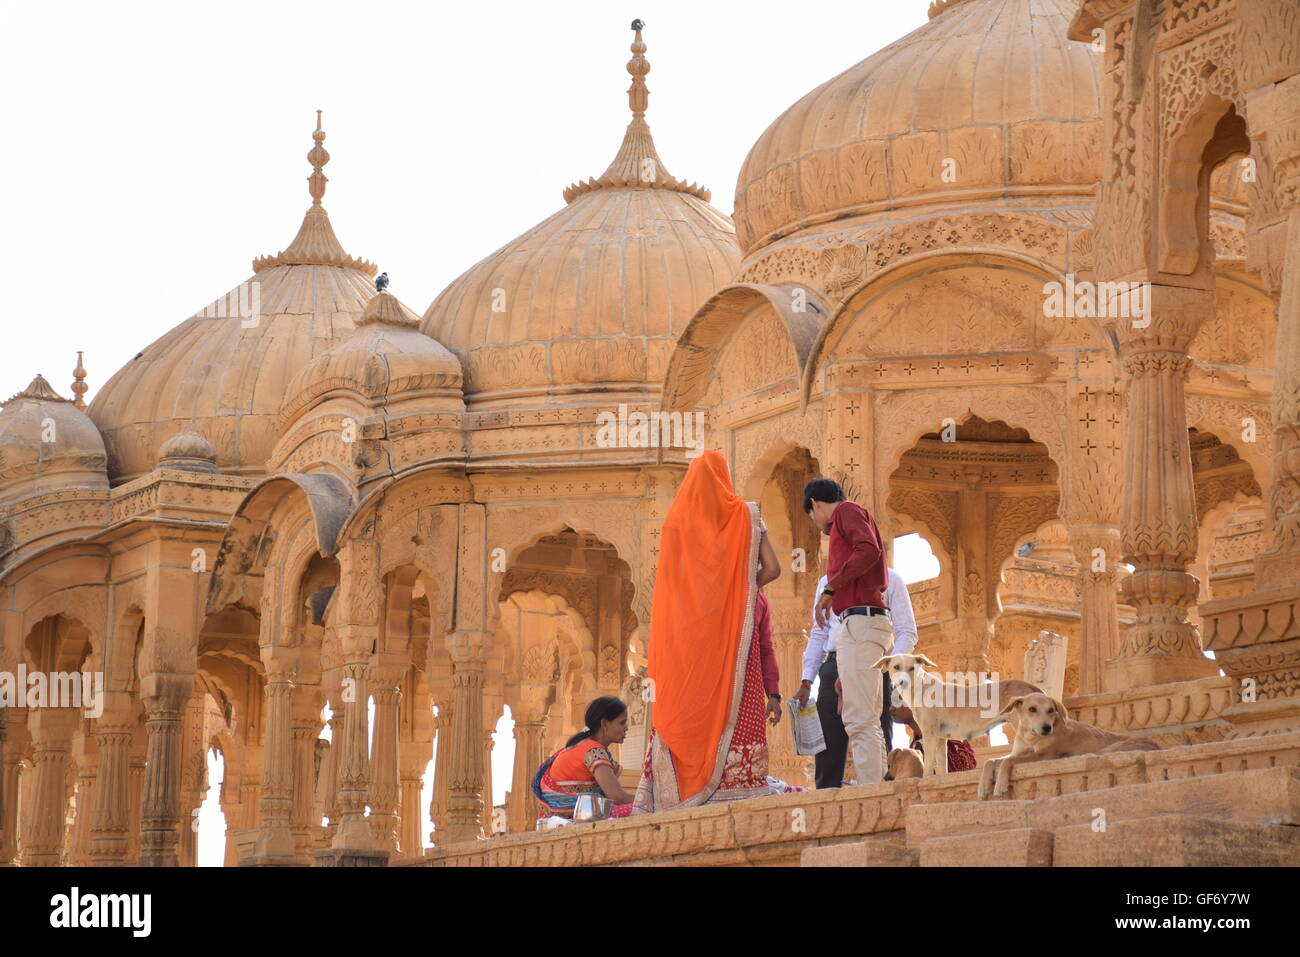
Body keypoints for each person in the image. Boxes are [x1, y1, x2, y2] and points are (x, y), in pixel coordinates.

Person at [633, 450, 782, 814]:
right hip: (733, 643)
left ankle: (679, 791)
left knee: (685, 705)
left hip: (686, 640)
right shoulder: (746, 516)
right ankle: (738, 788)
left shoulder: (675, 525)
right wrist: (739, 593)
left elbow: (671, 589)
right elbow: (774, 569)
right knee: (736, 705)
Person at [803, 477, 892, 785]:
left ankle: (872, 797)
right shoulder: (848, 517)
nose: (817, 525)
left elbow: (868, 549)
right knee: (868, 719)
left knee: (859, 719)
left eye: (812, 517)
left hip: (861, 622)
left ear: (814, 504)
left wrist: (831, 586)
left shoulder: (846, 512)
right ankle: (879, 791)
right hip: (861, 624)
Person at [795, 566, 918, 787]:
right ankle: (827, 806)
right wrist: (807, 680)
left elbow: (906, 630)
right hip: (833, 665)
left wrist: (887, 667)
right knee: (828, 747)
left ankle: (881, 800)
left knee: (876, 733)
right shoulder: (827, 582)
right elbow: (820, 633)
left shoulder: (890, 579)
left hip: (873, 663)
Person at [533, 696, 637, 820]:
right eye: (621, 722)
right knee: (644, 808)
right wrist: (652, 801)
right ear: (604, 724)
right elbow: (618, 798)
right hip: (569, 818)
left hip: (557, 819)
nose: (626, 728)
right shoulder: (593, 751)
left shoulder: (583, 746)